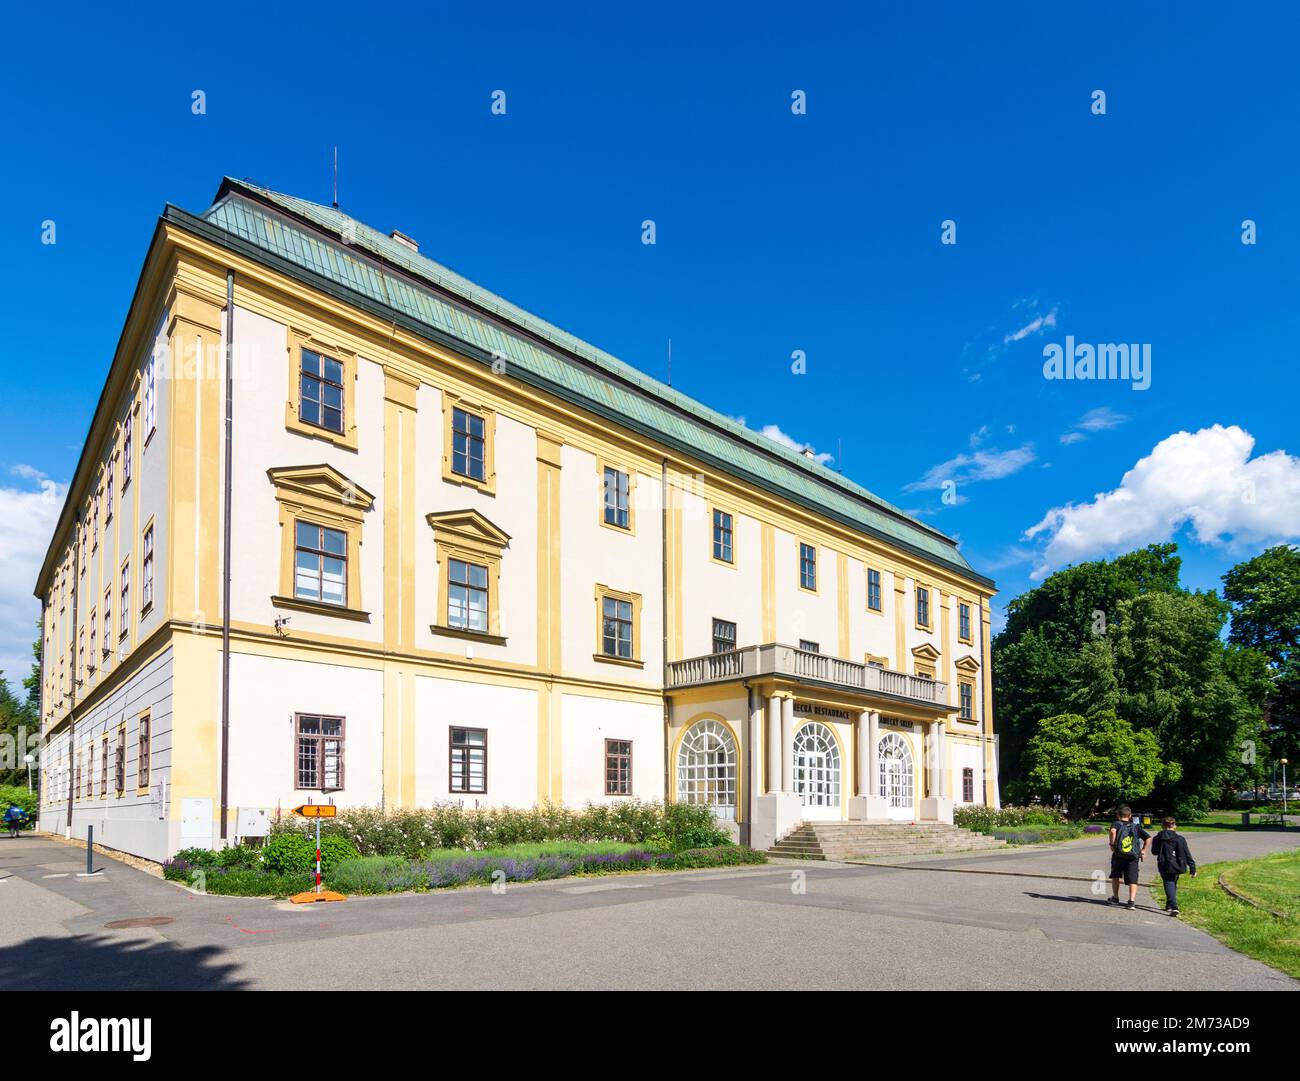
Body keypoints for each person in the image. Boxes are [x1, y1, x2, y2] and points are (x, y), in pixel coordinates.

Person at [1150, 816, 1196, 916]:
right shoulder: (1180, 839)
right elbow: (1187, 853)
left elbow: (1154, 852)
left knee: (1169, 883)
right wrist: (1192, 867)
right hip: (1178, 863)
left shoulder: (1158, 838)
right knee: (1172, 882)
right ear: (1174, 825)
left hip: (1164, 864)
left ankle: (1172, 905)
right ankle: (1171, 905)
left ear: (1162, 826)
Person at [1107, 804, 1150, 910]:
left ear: (1118, 815)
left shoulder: (1116, 823)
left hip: (1118, 855)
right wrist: (1143, 850)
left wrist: (1112, 844)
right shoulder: (1135, 826)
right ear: (1130, 816)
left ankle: (1115, 898)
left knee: (1116, 876)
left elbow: (1112, 831)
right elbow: (1148, 838)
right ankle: (1131, 902)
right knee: (1133, 879)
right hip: (1133, 856)